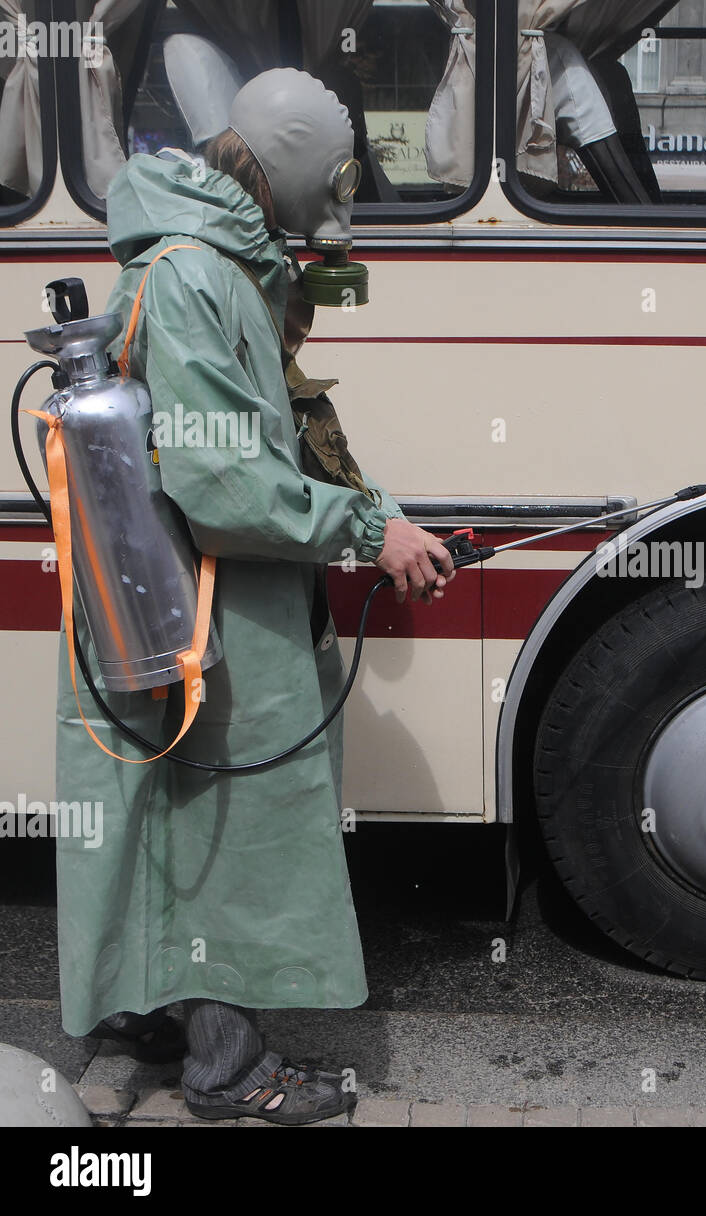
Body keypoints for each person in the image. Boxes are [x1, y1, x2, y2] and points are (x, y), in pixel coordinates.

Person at [56, 68, 453, 1124]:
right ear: (297, 175)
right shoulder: (199, 277)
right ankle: (229, 1072)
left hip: (195, 592)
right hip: (216, 602)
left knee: (185, 814)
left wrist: (382, 516)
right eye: (335, 182)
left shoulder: (216, 263)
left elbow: (275, 437)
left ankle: (155, 1014)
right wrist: (369, 530)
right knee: (230, 825)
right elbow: (224, 482)